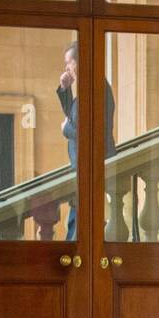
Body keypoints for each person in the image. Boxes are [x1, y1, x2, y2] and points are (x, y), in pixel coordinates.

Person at [56, 40, 116, 241]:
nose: (67, 68)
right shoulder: (90, 85)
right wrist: (66, 90)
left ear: (79, 62)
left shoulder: (95, 86)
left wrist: (66, 129)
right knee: (75, 227)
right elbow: (76, 117)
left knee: (78, 234)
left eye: (69, 62)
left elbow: (87, 131)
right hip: (82, 169)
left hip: (91, 168)